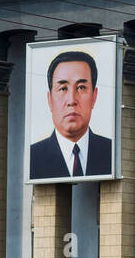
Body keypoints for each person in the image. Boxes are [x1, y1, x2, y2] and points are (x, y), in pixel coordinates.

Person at [29, 50, 113, 179]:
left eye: (81, 87)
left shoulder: (112, 152)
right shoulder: (32, 156)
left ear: (94, 97)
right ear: (50, 99)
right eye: (63, 89)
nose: (72, 100)